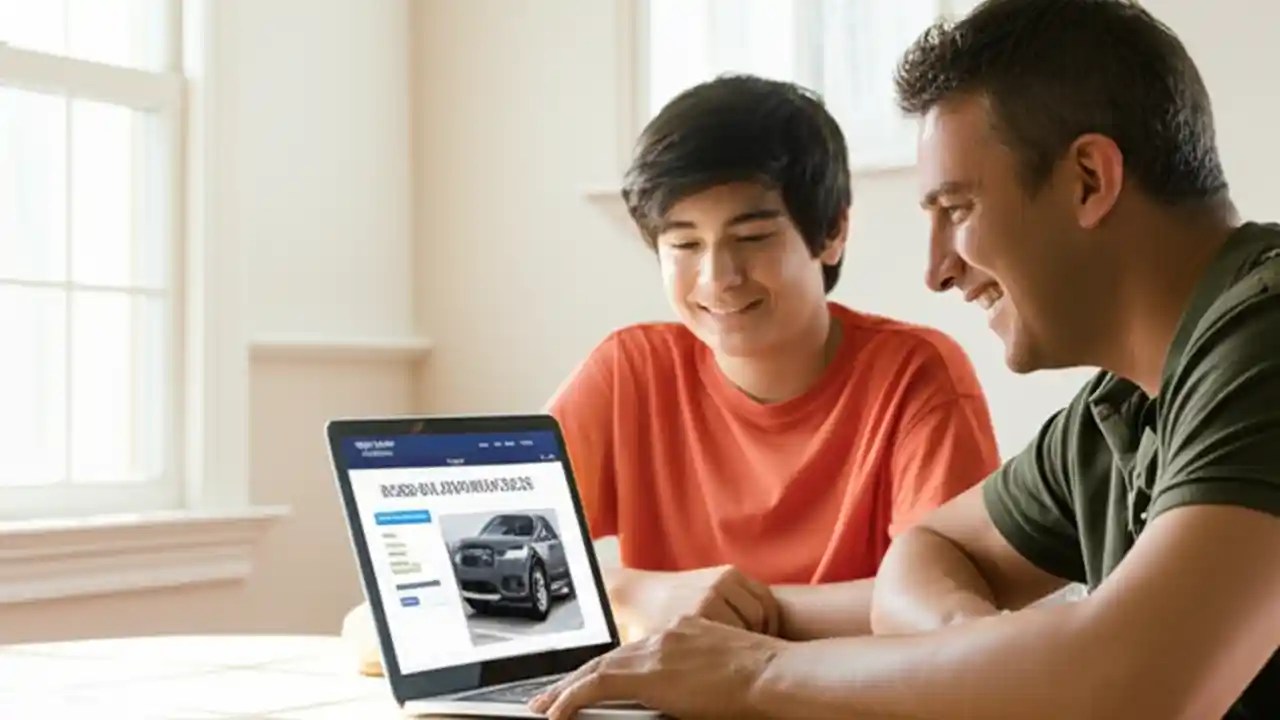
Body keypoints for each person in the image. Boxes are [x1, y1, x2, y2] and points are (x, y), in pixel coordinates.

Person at [527, 1, 1280, 719]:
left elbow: (1131, 687)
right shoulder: (1113, 411)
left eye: (956, 210)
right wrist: (975, 648)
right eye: (683, 243)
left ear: (1089, 179)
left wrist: (753, 672)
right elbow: (932, 548)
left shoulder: (1265, 338)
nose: (936, 271)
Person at [343, 74, 1000, 671]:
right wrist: (630, 593)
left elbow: (951, 618)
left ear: (831, 233)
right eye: (683, 244)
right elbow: (394, 614)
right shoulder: (630, 372)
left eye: (752, 238)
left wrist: (735, 609)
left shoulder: (917, 376)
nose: (717, 278)